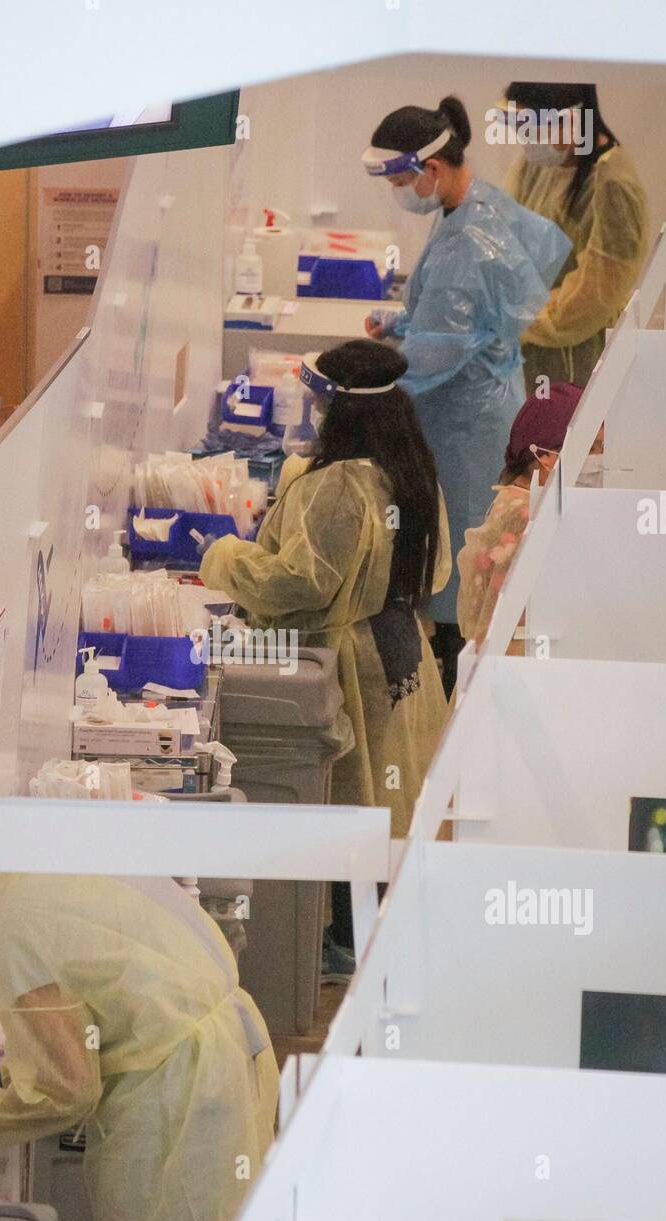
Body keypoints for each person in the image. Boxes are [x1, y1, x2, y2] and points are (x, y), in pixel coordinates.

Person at [0, 761, 279, 1221]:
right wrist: (4, 1073)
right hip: (224, 1062)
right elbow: (97, 998)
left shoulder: (15, 922)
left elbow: (68, 1089)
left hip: (174, 1101)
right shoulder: (53, 844)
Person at [198, 339, 451, 970]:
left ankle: (343, 941)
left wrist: (226, 557)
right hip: (401, 650)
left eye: (316, 400)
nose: (310, 412)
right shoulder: (409, 465)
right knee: (386, 805)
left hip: (353, 664)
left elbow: (300, 584)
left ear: (340, 408)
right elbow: (436, 569)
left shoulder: (337, 485)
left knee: (347, 806)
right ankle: (366, 934)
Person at [363, 97, 571, 696]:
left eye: (403, 180)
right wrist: (403, 323)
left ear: (432, 168)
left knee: (464, 567)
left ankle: (459, 691)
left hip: (464, 424)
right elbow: (465, 316)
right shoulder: (475, 207)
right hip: (487, 402)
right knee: (473, 558)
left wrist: (372, 383)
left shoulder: (467, 240)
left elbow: (440, 353)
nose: (401, 191)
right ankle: (460, 673)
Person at [501, 82, 648, 391]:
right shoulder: (540, 162)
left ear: (570, 122)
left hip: (578, 359)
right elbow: (503, 234)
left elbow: (592, 299)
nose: (525, 139)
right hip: (531, 352)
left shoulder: (613, 183)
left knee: (566, 437)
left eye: (532, 128)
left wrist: (517, 316)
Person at [457, 382, 582, 646]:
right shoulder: (527, 517)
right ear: (546, 456)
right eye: (593, 448)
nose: (598, 460)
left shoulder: (515, 499)